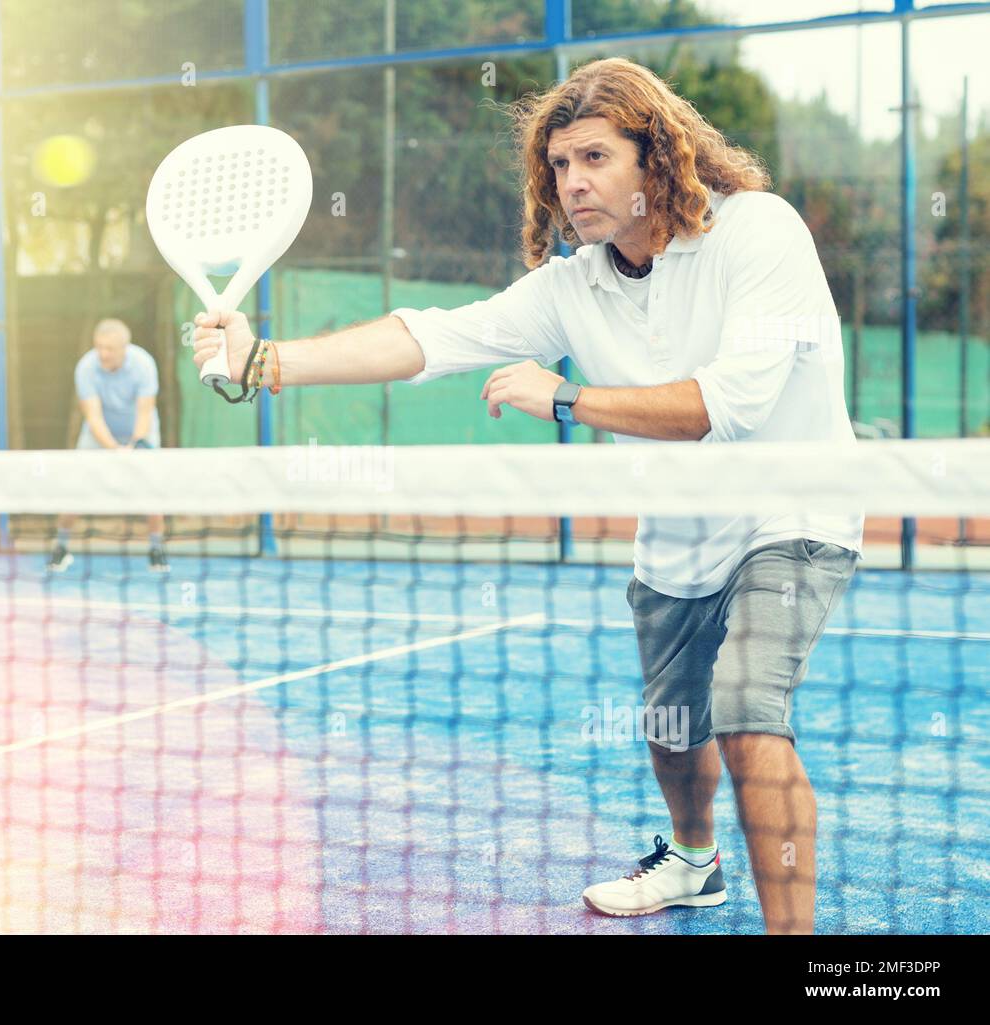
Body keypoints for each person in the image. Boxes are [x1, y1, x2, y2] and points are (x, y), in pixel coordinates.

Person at [191, 58, 862, 934]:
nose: (571, 182)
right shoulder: (572, 284)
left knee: (743, 706)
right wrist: (267, 360)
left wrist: (564, 397)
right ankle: (694, 864)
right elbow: (432, 337)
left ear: (656, 156)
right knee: (670, 718)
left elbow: (722, 408)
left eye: (593, 157)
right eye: (558, 165)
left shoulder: (758, 233)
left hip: (792, 508)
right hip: (680, 525)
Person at [48, 318, 168, 573]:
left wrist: (135, 445)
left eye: (109, 348)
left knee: (152, 491)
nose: (103, 353)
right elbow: (93, 417)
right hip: (99, 435)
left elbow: (145, 412)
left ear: (125, 347)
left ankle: (157, 550)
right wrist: (114, 450)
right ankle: (60, 548)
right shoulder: (86, 367)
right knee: (74, 490)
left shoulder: (143, 364)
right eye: (99, 347)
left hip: (140, 431)